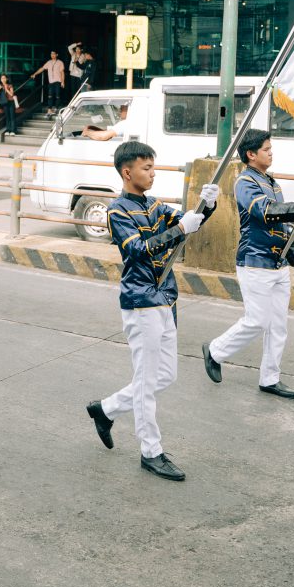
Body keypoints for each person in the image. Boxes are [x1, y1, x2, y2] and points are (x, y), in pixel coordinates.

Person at [85, 140, 219, 482]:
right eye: (146, 168)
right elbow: (139, 250)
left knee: (165, 375)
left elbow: (187, 222)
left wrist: (207, 206)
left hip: (166, 297)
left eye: (153, 167)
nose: (152, 174)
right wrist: (181, 229)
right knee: (146, 382)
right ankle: (151, 451)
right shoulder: (117, 212)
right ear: (127, 172)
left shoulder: (154, 205)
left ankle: (105, 409)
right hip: (140, 301)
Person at [203, 129, 294, 401]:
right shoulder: (245, 182)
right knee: (257, 321)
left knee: (278, 326)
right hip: (255, 262)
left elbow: (283, 227)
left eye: (270, 148)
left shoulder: (272, 184)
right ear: (251, 154)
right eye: (266, 149)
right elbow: (266, 212)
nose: (271, 153)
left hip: (278, 265)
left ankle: (270, 378)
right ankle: (215, 351)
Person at [30, 50, 67, 115]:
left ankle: (56, 109)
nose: (52, 55)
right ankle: (49, 110)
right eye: (51, 54)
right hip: (51, 82)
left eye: (53, 54)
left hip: (58, 81)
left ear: (56, 55)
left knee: (57, 96)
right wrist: (34, 74)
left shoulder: (60, 62)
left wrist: (63, 82)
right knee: (50, 96)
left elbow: (62, 72)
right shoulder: (49, 62)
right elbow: (42, 68)